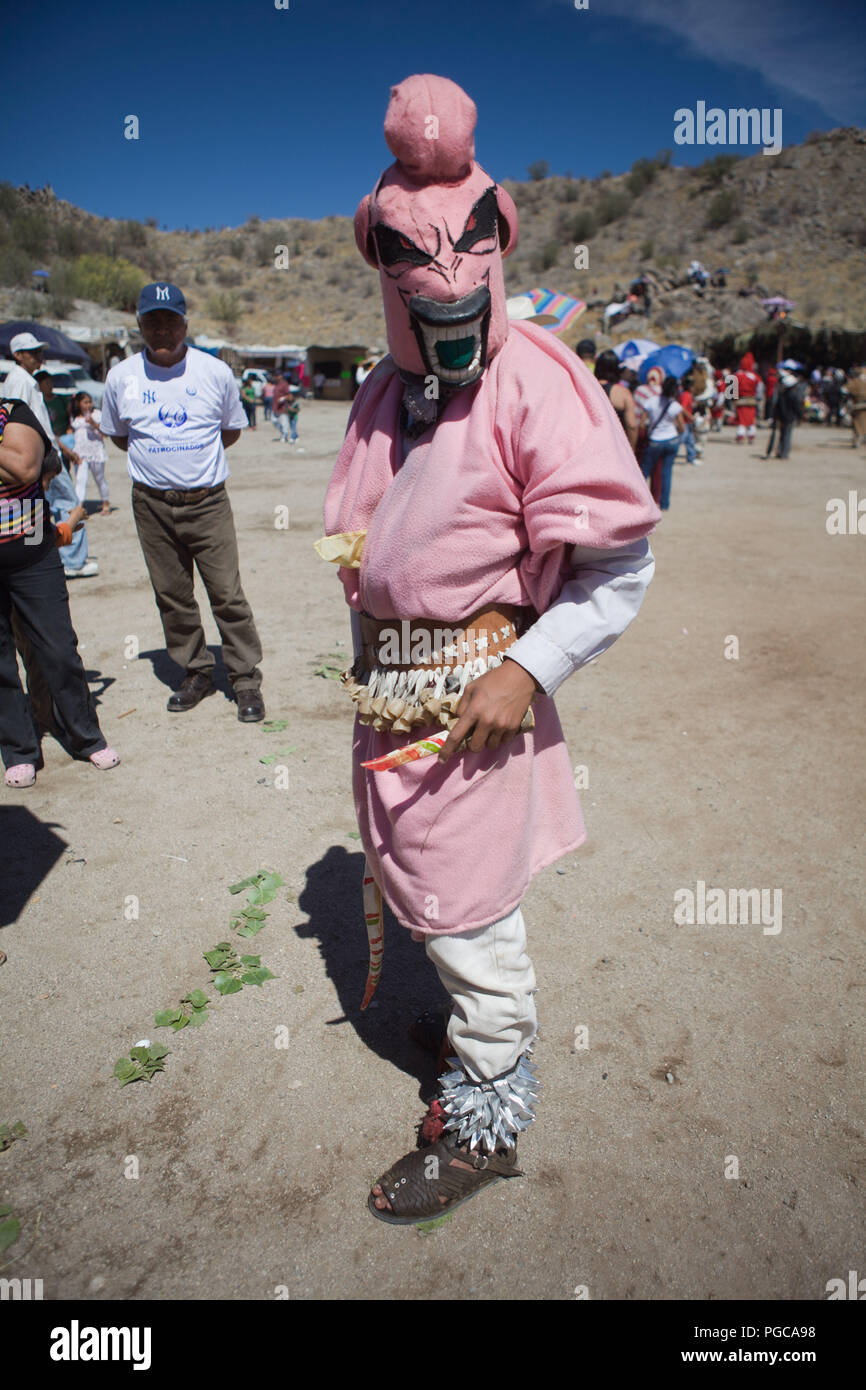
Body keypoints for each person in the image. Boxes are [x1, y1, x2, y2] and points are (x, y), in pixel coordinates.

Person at [318, 75, 659, 1226]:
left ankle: (487, 1118)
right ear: (383, 270)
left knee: (473, 923)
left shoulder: (539, 383)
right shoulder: (378, 397)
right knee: (420, 891)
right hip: (395, 711)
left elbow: (619, 566)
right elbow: (369, 550)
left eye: (465, 248)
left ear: (496, 241)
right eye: (414, 259)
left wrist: (524, 669)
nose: (446, 289)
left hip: (479, 708)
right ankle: (470, 1031)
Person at [100, 282, 266, 721]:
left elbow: (230, 431)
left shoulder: (214, 373)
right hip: (151, 505)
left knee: (226, 593)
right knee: (172, 595)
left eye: (170, 321)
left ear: (184, 324)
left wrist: (192, 468)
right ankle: (196, 672)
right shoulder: (121, 377)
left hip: (208, 502)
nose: (161, 330)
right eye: (151, 321)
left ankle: (245, 678)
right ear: (139, 325)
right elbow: (121, 436)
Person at [0, 396, 118, 787]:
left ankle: (85, 737)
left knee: (57, 649)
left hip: (32, 552)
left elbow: (23, 468)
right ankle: (19, 750)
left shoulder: (13, 411)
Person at [4, 335, 80, 473]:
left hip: (45, 454)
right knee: (65, 495)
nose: (38, 356)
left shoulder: (27, 380)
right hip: (39, 456)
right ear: (18, 355)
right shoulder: (20, 381)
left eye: (39, 352)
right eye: (33, 352)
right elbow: (17, 423)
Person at [43, 448, 98, 578]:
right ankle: (73, 563)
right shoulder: (30, 501)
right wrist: (71, 523)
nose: (48, 488)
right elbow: (37, 543)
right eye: (49, 479)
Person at [639, 375, 685, 509]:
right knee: (666, 473)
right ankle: (664, 504)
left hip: (655, 440)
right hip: (671, 440)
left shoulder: (651, 402)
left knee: (645, 471)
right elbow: (682, 426)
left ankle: (638, 499)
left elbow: (642, 424)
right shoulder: (675, 406)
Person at [70, 391, 110, 514]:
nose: (88, 405)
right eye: (85, 402)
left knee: (99, 478)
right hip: (80, 453)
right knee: (81, 479)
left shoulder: (97, 414)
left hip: (95, 452)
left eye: (90, 402)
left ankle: (105, 502)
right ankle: (79, 505)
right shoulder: (74, 417)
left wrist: (93, 423)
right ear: (79, 404)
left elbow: (105, 434)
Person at [594, 349, 638, 452]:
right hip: (616, 449)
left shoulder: (587, 387)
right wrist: (631, 451)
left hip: (592, 450)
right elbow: (631, 425)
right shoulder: (622, 393)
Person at [768, 365, 807, 459]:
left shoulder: (782, 395)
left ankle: (780, 451)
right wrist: (801, 416)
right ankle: (784, 453)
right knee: (787, 435)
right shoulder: (793, 395)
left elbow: (776, 406)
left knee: (782, 435)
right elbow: (797, 407)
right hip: (789, 417)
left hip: (781, 417)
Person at [734, 351, 761, 443]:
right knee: (750, 419)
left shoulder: (737, 375)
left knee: (741, 419)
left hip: (740, 400)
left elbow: (730, 389)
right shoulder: (754, 376)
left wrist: (732, 399)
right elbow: (760, 388)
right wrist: (758, 398)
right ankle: (751, 435)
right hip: (751, 400)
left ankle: (740, 435)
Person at [848, 365, 866, 448]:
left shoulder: (855, 381)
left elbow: (848, 389)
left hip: (857, 405)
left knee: (856, 423)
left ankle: (857, 440)